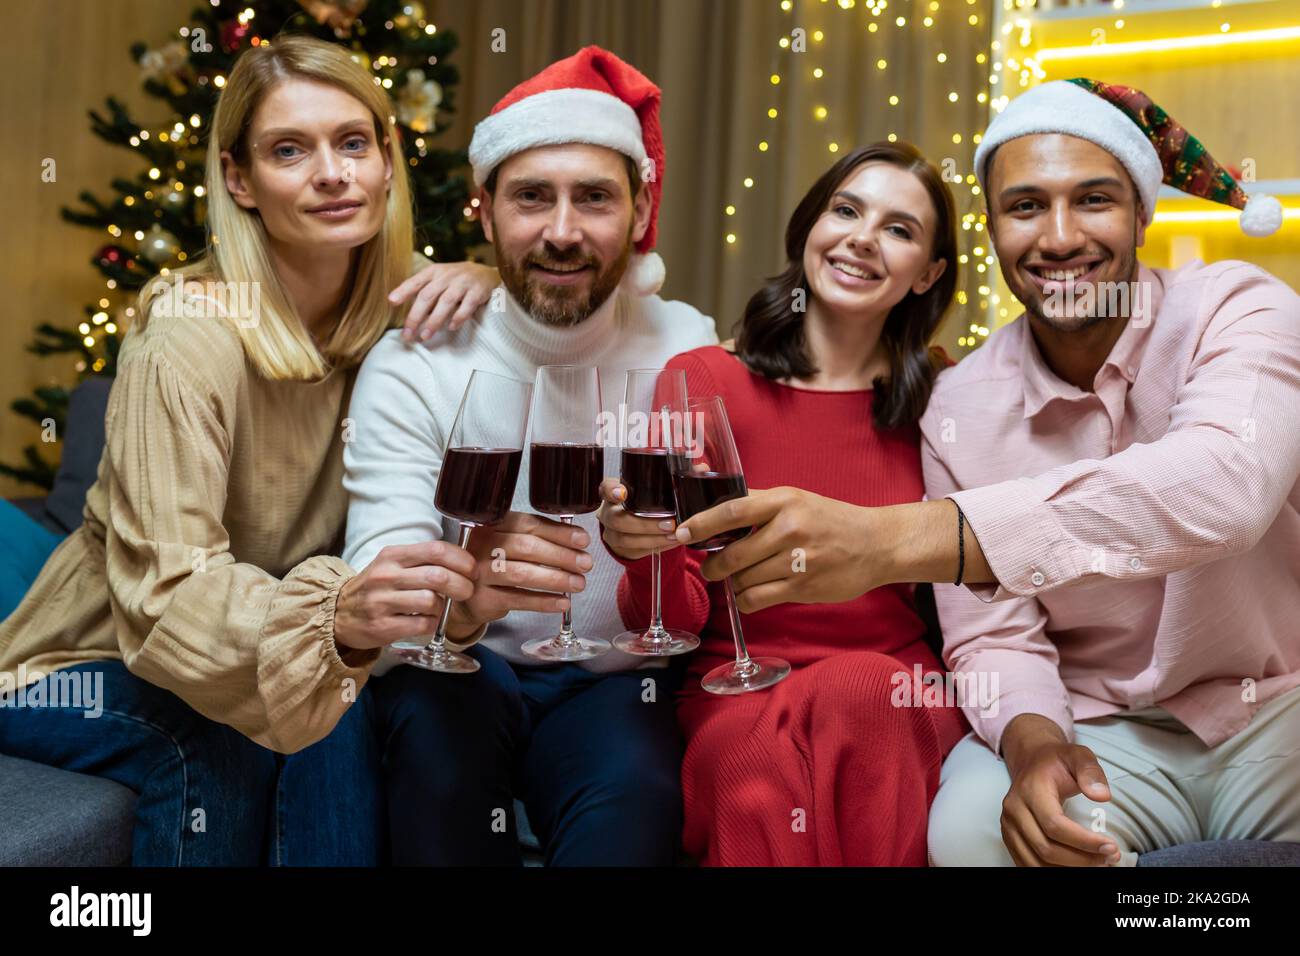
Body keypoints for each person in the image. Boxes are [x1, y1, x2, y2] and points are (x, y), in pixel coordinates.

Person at [669, 78, 1300, 867]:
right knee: (970, 835)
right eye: (1026, 207)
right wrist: (1034, 742)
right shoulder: (959, 400)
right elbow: (994, 633)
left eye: (1094, 200)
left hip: (1279, 707)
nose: (1060, 236)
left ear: (1142, 213)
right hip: (1093, 725)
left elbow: (1224, 487)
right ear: (995, 229)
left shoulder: (1237, 308)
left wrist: (899, 538)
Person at [0, 34, 472, 865]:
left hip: (258, 636)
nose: (332, 173)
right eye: (290, 150)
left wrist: (491, 279)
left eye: (353, 142)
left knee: (334, 701)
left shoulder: (411, 312)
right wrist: (331, 620)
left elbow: (557, 303)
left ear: (389, 161)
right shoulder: (187, 341)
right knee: (229, 734)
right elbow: (164, 599)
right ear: (239, 179)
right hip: (78, 664)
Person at [341, 46, 718, 866]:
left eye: (594, 199)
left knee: (639, 793)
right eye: (530, 199)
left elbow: (714, 551)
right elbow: (377, 571)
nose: (561, 231)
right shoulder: (415, 359)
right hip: (461, 667)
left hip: (618, 682)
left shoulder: (687, 345)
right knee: (436, 723)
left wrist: (667, 550)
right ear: (482, 211)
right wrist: (466, 601)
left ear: (639, 208)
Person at [595, 142, 969, 866]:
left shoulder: (947, 397)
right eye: (847, 210)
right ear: (810, 228)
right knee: (748, 775)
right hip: (739, 684)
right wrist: (645, 550)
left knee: (864, 689)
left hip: (892, 690)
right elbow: (662, 623)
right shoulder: (701, 379)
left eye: (899, 228)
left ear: (928, 274)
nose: (863, 236)